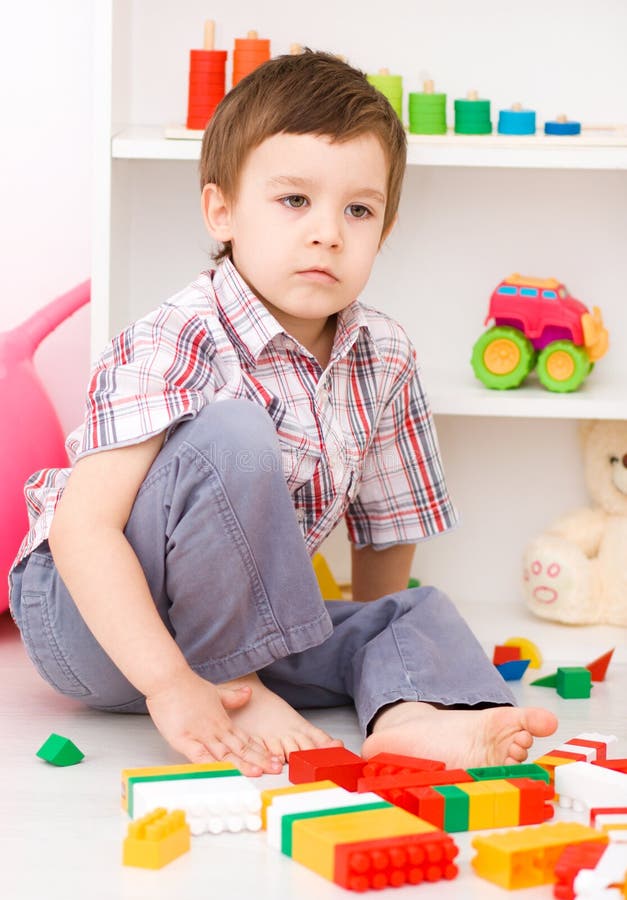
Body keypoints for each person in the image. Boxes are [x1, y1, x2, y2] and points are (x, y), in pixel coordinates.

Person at [9, 50, 557, 777]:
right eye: (294, 201)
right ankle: (236, 684)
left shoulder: (382, 354)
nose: (327, 232)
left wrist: (378, 660)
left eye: (357, 210)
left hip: (239, 626)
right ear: (222, 211)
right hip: (92, 621)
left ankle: (410, 720)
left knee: (413, 612)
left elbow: (386, 535)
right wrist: (172, 683)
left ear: (382, 232)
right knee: (234, 430)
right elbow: (84, 528)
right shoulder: (180, 334)